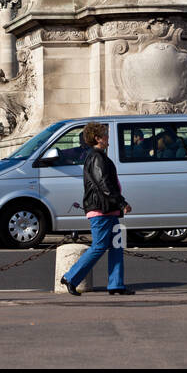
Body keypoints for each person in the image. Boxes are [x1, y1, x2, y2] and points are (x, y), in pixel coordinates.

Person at [60, 122, 134, 297]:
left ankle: (116, 285)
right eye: (106, 135)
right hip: (101, 209)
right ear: (98, 138)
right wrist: (122, 202)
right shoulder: (97, 157)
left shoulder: (99, 156)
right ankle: (71, 277)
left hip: (109, 209)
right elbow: (104, 184)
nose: (109, 138)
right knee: (99, 246)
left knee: (117, 246)